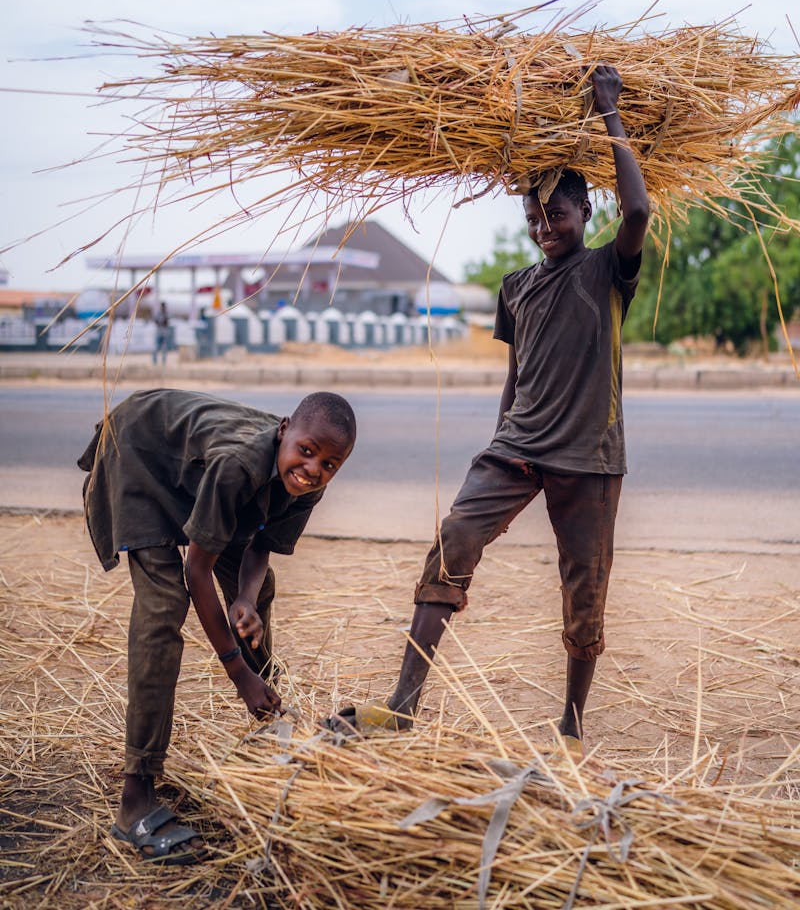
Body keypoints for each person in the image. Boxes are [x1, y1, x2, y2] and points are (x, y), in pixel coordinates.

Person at [332, 64, 649, 753]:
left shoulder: (607, 270)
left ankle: (570, 722)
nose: (544, 228)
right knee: (451, 546)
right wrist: (500, 435)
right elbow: (517, 371)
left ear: (584, 214)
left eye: (557, 215)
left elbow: (641, 211)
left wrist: (607, 112)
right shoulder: (516, 287)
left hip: (590, 461)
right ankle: (404, 705)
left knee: (584, 593)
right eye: (534, 218)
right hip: (517, 448)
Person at [78, 388, 356, 864]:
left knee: (257, 588)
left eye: (329, 465)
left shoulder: (310, 479)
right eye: (307, 453)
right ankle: (135, 799)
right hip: (140, 451)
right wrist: (237, 671)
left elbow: (260, 543)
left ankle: (270, 723)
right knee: (163, 610)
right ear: (285, 429)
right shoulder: (241, 466)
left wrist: (245, 599)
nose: (313, 470)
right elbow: (196, 571)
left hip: (196, 475)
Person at [153, 301, 170, 366]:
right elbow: (156, 321)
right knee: (156, 347)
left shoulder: (166, 314)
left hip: (164, 333)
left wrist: (162, 322)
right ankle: (155, 361)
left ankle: (163, 362)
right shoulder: (158, 313)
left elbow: (167, 322)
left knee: (164, 348)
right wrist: (160, 322)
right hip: (159, 332)